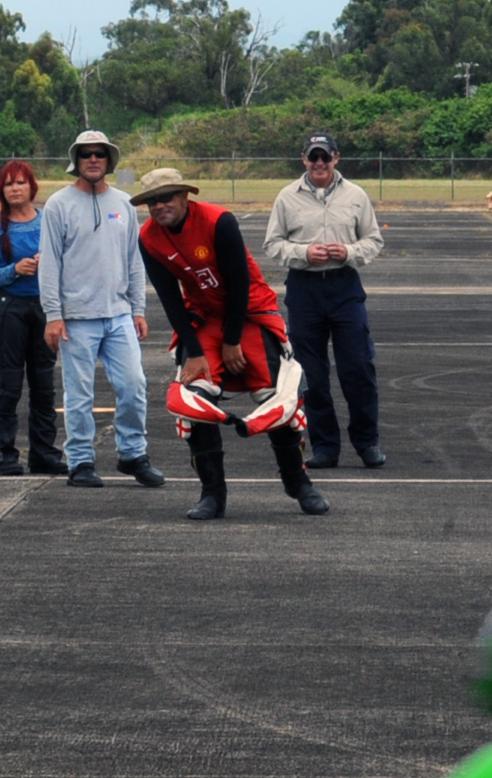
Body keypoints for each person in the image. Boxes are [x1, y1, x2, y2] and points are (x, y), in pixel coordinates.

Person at [134, 169, 328, 521]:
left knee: (277, 397)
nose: (159, 206)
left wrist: (232, 340)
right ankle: (212, 494)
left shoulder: (218, 221)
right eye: (151, 201)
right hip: (204, 316)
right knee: (193, 400)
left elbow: (239, 283)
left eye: (166, 197)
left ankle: (299, 484)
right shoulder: (148, 237)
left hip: (249, 312)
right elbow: (170, 299)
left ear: (185, 196)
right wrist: (194, 352)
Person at [39, 130, 163, 490]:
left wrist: (138, 308)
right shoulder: (58, 204)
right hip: (76, 318)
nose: (93, 159)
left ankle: (133, 454)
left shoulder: (124, 203)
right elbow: (50, 264)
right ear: (75, 160)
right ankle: (80, 460)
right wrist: (53, 315)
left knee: (134, 385)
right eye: (85, 154)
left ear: (109, 160)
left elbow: (134, 260)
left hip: (119, 314)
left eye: (99, 154)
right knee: (79, 395)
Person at [263, 133, 386, 469]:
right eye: (313, 157)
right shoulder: (287, 197)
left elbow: (373, 240)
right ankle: (325, 447)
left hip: (345, 287)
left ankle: (367, 443)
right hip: (304, 290)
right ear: (304, 159)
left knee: (358, 368)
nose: (319, 163)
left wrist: (349, 252)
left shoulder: (355, 195)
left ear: (336, 158)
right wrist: (303, 253)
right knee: (312, 373)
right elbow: (272, 244)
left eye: (325, 157)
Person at [0, 160, 64, 476]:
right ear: (2, 190)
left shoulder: (48, 223)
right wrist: (13, 270)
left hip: (44, 309)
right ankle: (4, 454)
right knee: (10, 383)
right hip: (9, 308)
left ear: (32, 187)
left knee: (44, 385)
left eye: (21, 182)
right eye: (9, 184)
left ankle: (44, 454)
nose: (15, 189)